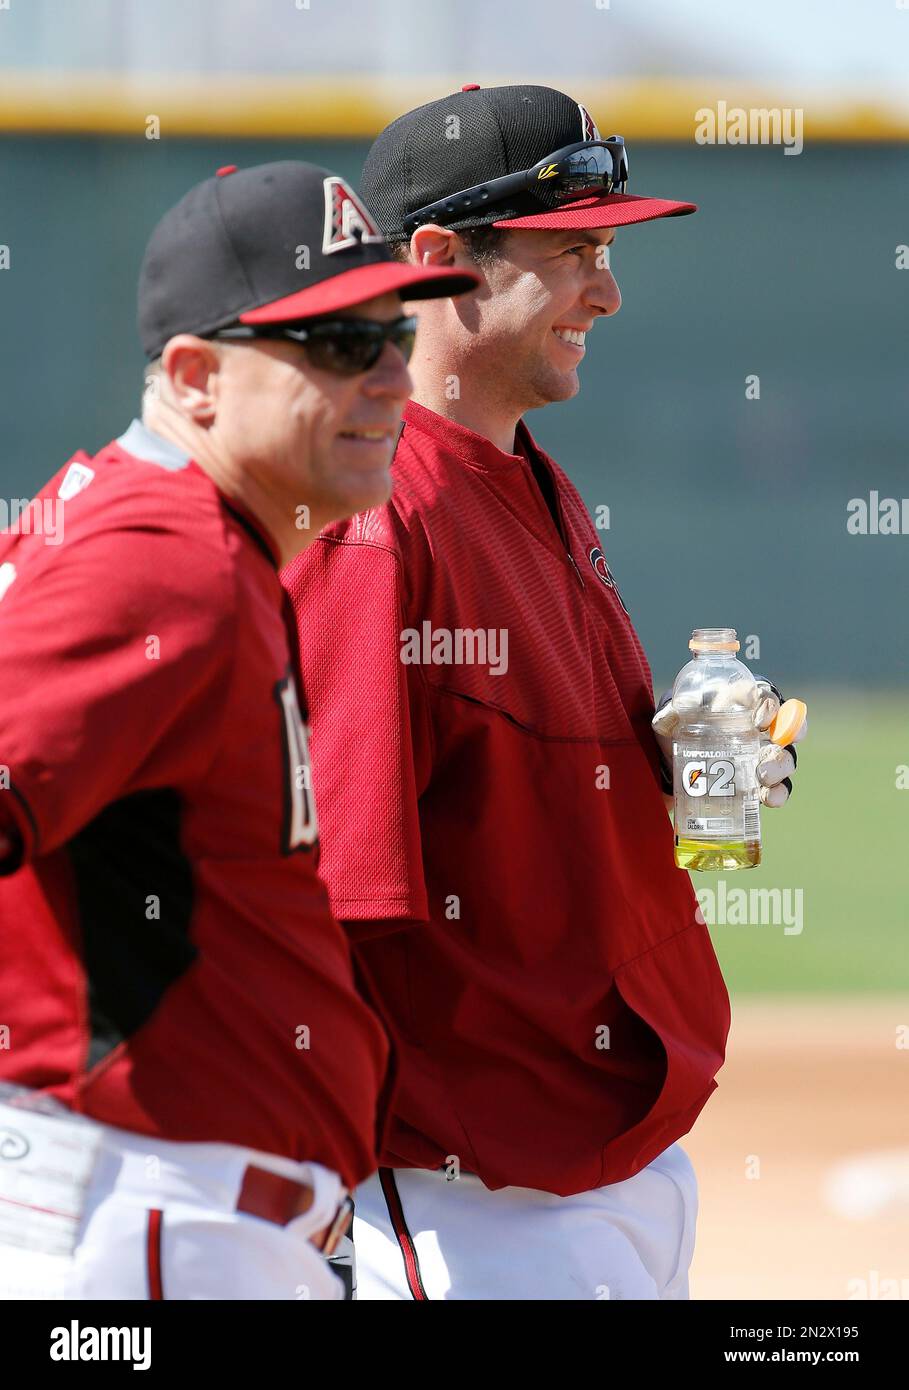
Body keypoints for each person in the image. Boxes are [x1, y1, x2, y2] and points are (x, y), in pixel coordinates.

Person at [282, 88, 807, 1300]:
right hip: (471, 1195)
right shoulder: (378, 512)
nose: (607, 293)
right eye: (573, 252)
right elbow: (331, 901)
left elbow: (504, 782)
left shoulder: (525, 474)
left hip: (608, 1158)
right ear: (433, 263)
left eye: (607, 250)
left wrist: (661, 765)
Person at [0, 159, 477, 1301]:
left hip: (179, 1203)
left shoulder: (176, 530)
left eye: (395, 336)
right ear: (196, 376)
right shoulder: (164, 559)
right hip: (151, 1205)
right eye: (337, 344)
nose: (392, 378)